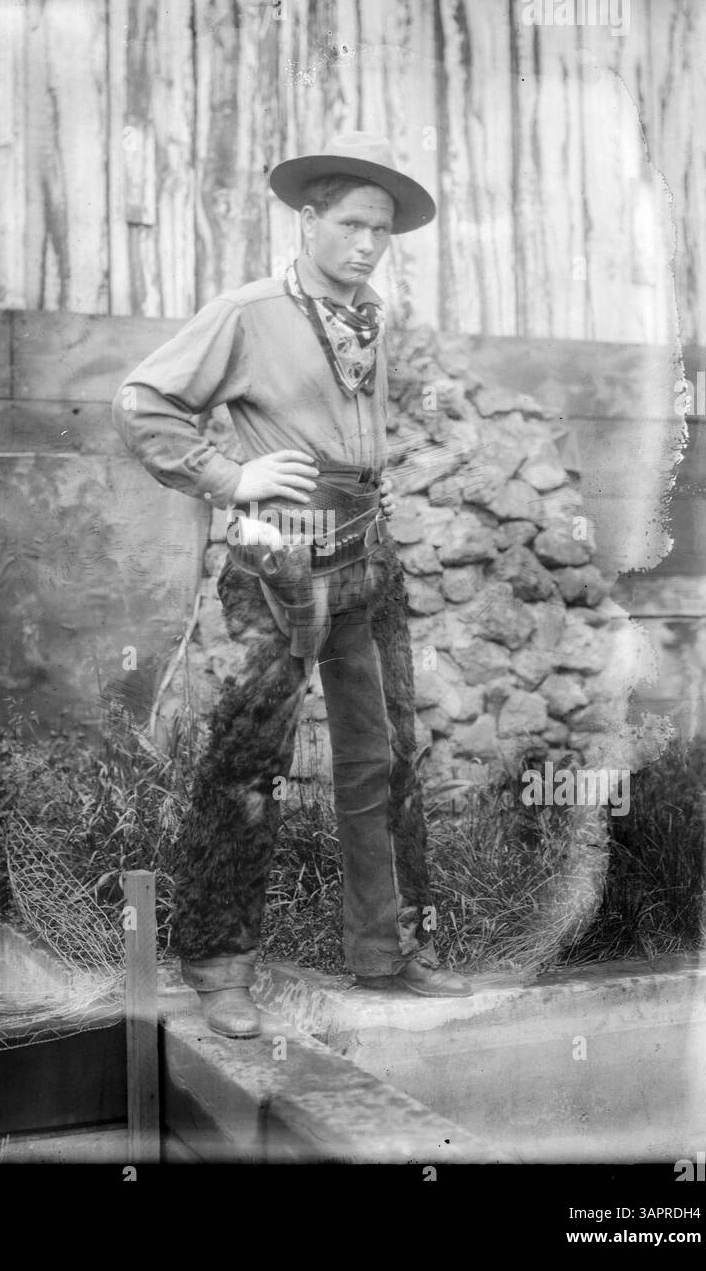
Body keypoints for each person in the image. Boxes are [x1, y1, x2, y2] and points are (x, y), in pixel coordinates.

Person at [113, 131, 472, 1039]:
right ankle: (220, 968)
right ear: (307, 221)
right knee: (246, 767)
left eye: (380, 232)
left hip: (367, 554)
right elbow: (145, 403)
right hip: (276, 561)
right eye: (349, 224)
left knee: (382, 754)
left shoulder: (367, 317)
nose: (365, 244)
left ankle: (384, 955)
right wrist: (232, 482)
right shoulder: (246, 310)